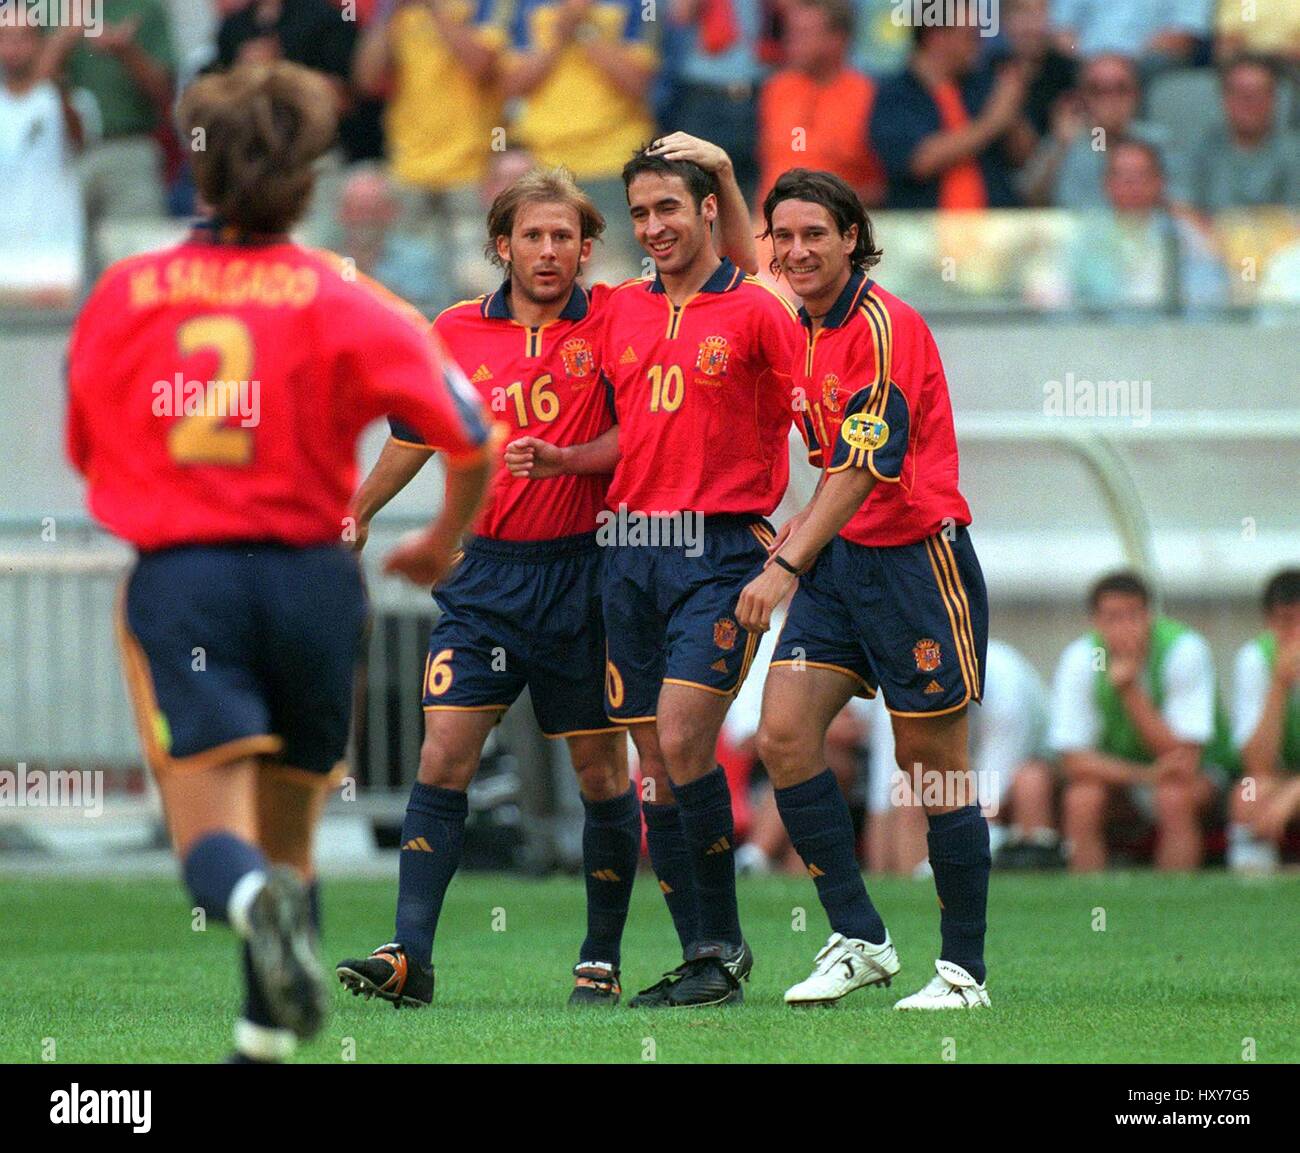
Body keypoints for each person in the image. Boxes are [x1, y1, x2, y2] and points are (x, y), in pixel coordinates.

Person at [64, 61, 492, 1063]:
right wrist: (441, 539)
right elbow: (469, 430)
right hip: (312, 579)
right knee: (294, 825)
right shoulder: (344, 297)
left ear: (199, 173)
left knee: (211, 831)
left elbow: (87, 444)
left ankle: (248, 900)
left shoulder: (130, 293)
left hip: (189, 579)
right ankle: (262, 1043)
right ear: (305, 182)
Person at [338, 135, 760, 1009]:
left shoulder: (614, 318)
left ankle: (603, 959)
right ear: (502, 244)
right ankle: (410, 954)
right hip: (485, 581)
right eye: (532, 236)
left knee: (608, 775)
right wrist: (363, 508)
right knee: (443, 753)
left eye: (565, 237)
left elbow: (644, 426)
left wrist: (568, 460)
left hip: (586, 576)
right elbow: (421, 433)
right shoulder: (456, 330)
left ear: (584, 247)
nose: (548, 252)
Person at [506, 143, 798, 1009]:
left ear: (708, 210)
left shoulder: (755, 309)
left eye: (669, 207)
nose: (653, 227)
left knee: (680, 736)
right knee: (657, 769)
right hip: (627, 549)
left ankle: (728, 944)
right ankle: (703, 955)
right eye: (639, 213)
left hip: (719, 549)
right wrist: (561, 457)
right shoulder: (622, 309)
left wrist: (799, 547)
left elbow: (809, 390)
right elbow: (632, 433)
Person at [739, 167, 993, 1011]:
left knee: (935, 771)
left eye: (817, 232)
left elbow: (856, 471)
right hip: (842, 564)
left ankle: (963, 973)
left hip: (918, 564)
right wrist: (710, 167)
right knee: (783, 734)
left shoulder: (885, 327)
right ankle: (860, 938)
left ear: (852, 237)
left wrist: (783, 563)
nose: (798, 248)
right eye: (785, 235)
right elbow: (733, 262)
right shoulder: (796, 322)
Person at [1050, 571, 1237, 872]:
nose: (1125, 627)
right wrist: (1146, 775)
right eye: (1113, 617)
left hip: (1200, 776)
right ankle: (1088, 904)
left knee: (1173, 797)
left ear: (1150, 615)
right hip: (1132, 777)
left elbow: (1183, 763)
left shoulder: (1184, 650)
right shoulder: (1081, 657)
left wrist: (1129, 690)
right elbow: (1073, 760)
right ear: (1096, 621)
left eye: (1133, 615)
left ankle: (1172, 903)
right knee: (1081, 799)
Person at [354, 0, 506, 307]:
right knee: (411, 291)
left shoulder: (485, 5)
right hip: (410, 169)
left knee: (477, 289)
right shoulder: (399, 12)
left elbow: (480, 65)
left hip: (472, 170)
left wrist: (435, 9)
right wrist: (386, 15)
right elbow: (367, 79)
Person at [866, 639, 1060, 873]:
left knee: (1030, 783)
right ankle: (912, 889)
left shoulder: (1006, 690)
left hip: (1023, 771)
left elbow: (989, 805)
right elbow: (881, 802)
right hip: (954, 772)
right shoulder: (894, 692)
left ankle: (1027, 884)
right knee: (908, 792)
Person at [501, 0, 658, 283]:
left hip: (615, 161)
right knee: (550, 279)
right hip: (546, 164)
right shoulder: (523, 6)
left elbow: (638, 83)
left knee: (619, 280)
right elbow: (512, 85)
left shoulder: (640, 4)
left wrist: (586, 30)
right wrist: (560, 34)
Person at [869, 18, 1034, 209]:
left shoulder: (984, 85)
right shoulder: (895, 94)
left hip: (993, 226)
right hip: (925, 229)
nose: (979, 45)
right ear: (937, 37)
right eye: (970, 35)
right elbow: (918, 161)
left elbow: (1026, 157)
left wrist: (1012, 108)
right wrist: (992, 122)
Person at [0, 13, 98, 306]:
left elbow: (79, 142)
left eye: (22, 38)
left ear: (40, 43)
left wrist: (58, 88)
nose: (14, 47)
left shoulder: (72, 100)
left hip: (57, 254)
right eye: (5, 38)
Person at [1068, 136, 1227, 316]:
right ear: (1106, 183)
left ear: (1160, 182)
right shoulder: (1083, 237)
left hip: (1172, 339)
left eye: (1140, 175)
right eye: (1122, 175)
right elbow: (1064, 304)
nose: (1131, 184)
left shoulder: (1185, 235)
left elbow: (1209, 302)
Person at [756, 0, 885, 205]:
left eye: (803, 34)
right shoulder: (775, 89)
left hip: (836, 224)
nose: (790, 42)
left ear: (837, 39)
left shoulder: (868, 96)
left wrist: (831, 206)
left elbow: (880, 183)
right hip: (771, 226)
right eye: (790, 33)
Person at [1018, 53, 1170, 210]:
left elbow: (1179, 204)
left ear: (1136, 94)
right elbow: (1029, 197)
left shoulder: (1156, 140)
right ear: (1082, 97)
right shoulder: (1067, 139)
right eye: (1097, 90)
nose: (1110, 99)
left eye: (1120, 88)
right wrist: (1060, 146)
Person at [1227, 569, 1300, 872]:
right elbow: (1258, 764)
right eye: (1287, 621)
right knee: (1249, 792)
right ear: (1270, 623)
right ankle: (1254, 895)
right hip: (1285, 777)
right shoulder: (1255, 659)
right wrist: (1280, 685)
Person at [1182, 56, 1299, 214]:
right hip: (1211, 236)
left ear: (1274, 99)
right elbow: (1182, 207)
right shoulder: (1201, 147)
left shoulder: (1295, 151)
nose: (1249, 102)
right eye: (1240, 93)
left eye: (1259, 92)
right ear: (1224, 99)